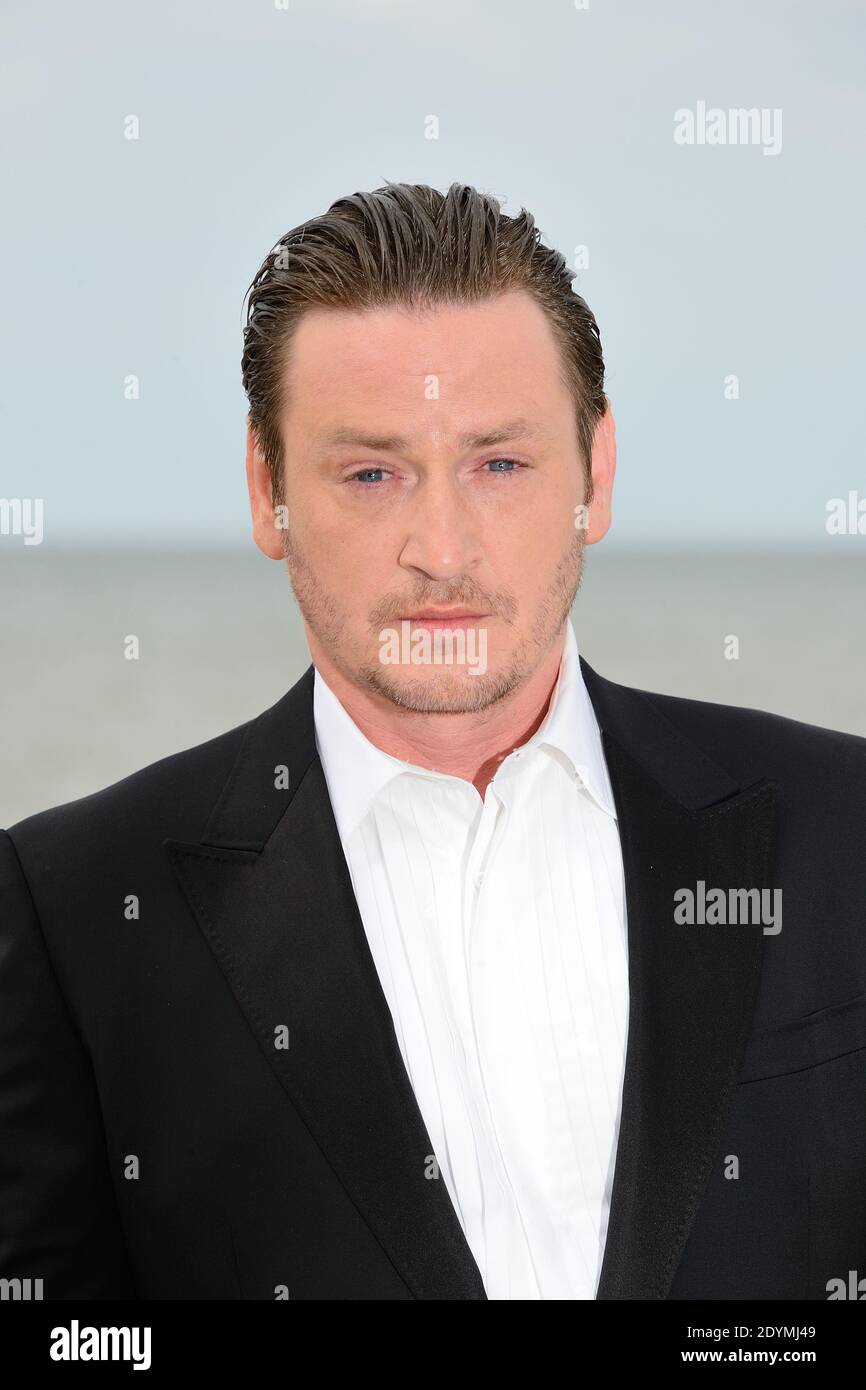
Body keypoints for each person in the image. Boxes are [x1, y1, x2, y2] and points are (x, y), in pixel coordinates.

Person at [2, 182, 864, 1301]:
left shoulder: (840, 827)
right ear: (266, 493)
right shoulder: (68, 907)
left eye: (497, 464)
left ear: (593, 477)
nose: (440, 548)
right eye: (370, 473)